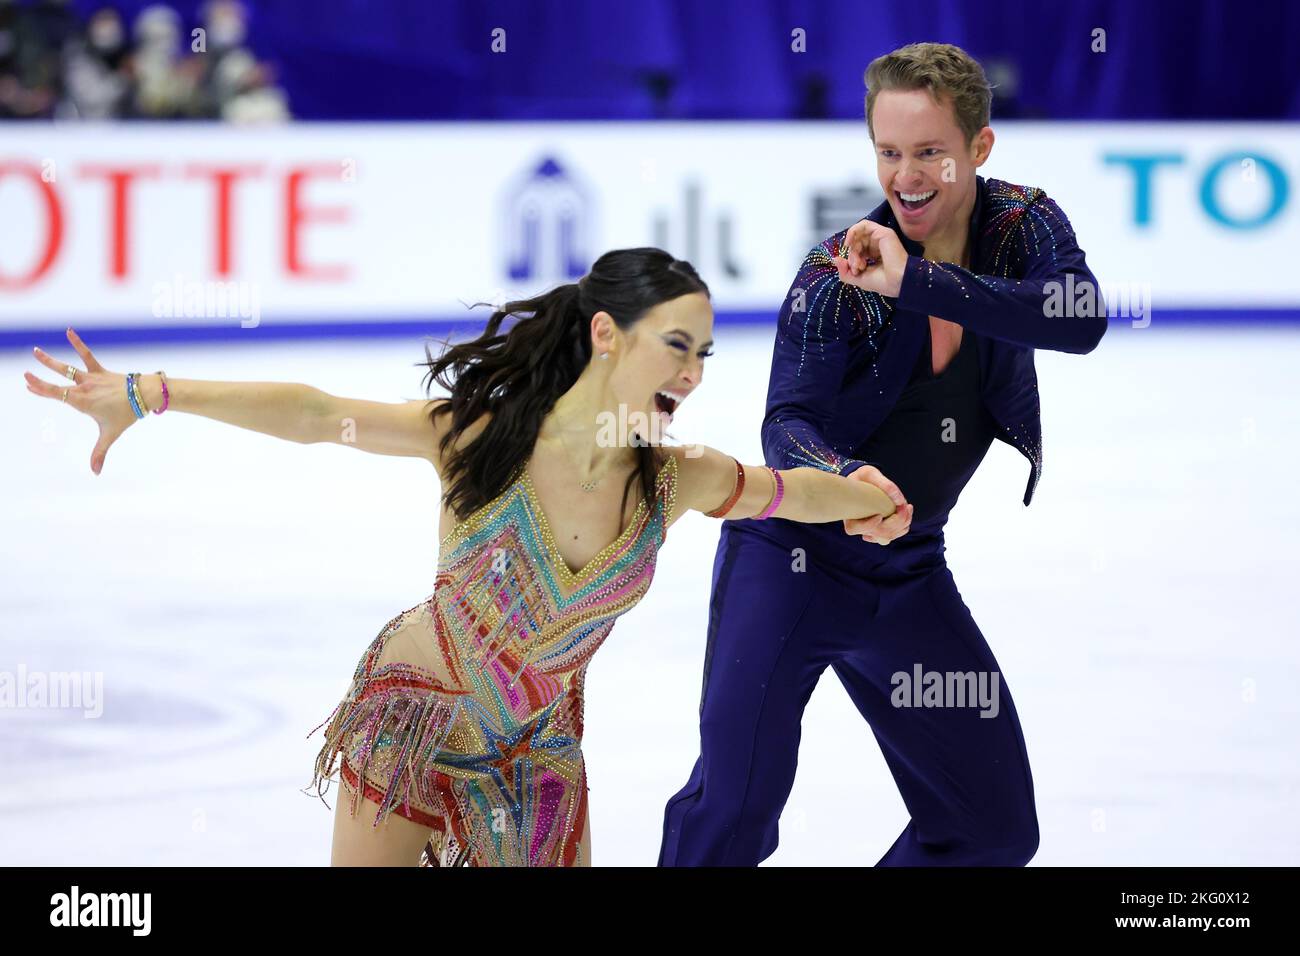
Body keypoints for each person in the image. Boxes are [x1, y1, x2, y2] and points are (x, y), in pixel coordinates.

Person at [23, 247, 907, 867]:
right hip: (414, 726)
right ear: (607, 334)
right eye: (676, 345)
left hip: (537, 756)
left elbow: (785, 492)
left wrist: (873, 496)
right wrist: (151, 393)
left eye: (704, 352)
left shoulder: (676, 482)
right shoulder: (480, 439)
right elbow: (313, 412)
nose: (695, 372)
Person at [659, 42, 1108, 867]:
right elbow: (786, 423)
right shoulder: (837, 275)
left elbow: (1078, 317)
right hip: (788, 562)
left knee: (991, 829)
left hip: (907, 574)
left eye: (931, 152)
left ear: (980, 148)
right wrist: (838, 477)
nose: (906, 176)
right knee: (733, 811)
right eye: (889, 152)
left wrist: (922, 284)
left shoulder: (1022, 225)